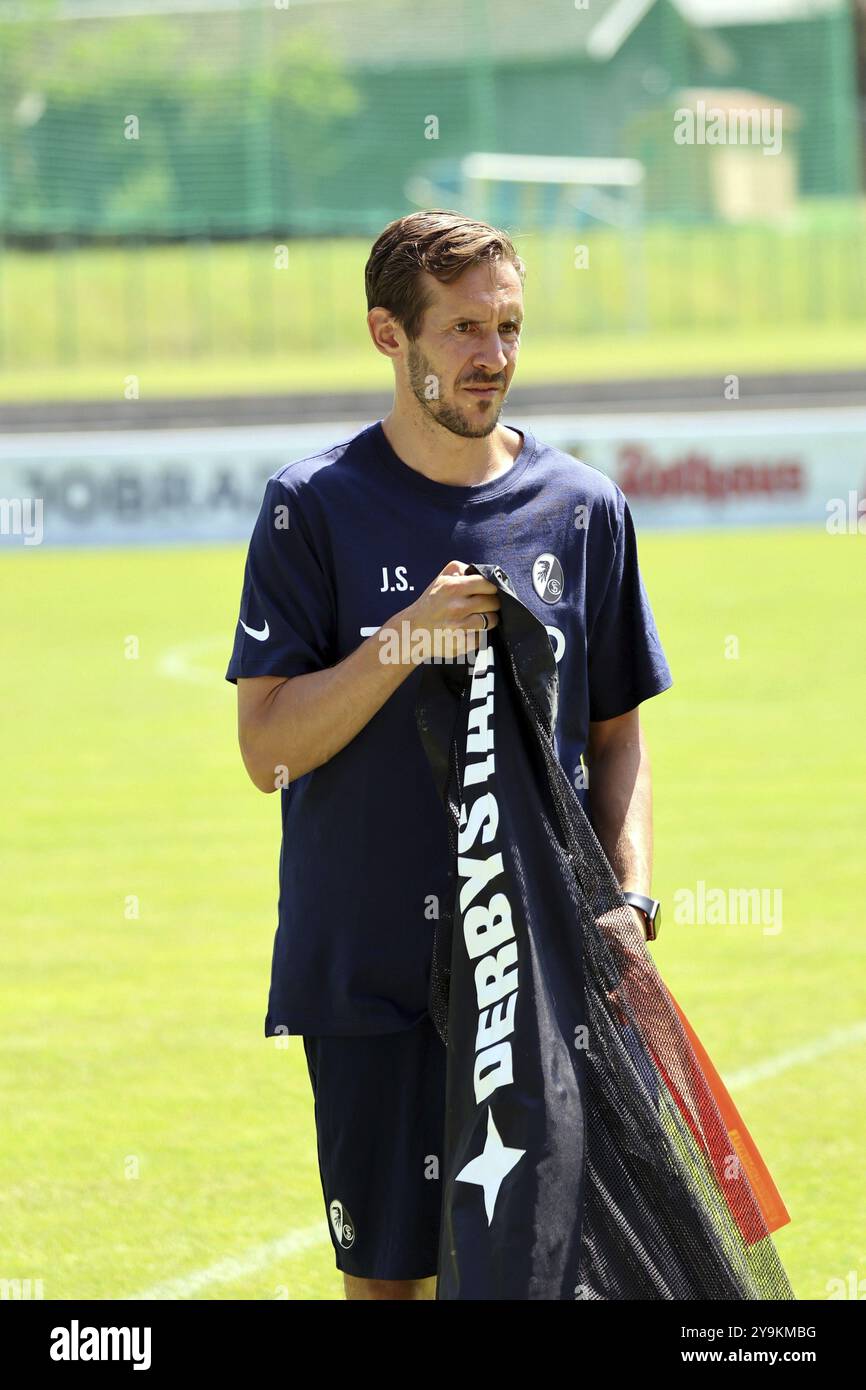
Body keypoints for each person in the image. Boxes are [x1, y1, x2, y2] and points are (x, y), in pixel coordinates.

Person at [225, 210, 673, 1301]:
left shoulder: (581, 509)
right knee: (390, 1283)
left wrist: (631, 897)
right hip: (369, 968)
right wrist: (398, 644)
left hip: (543, 967)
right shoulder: (312, 508)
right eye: (465, 328)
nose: (494, 357)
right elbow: (267, 749)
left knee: (547, 1272)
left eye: (510, 326)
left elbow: (616, 736)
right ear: (390, 335)